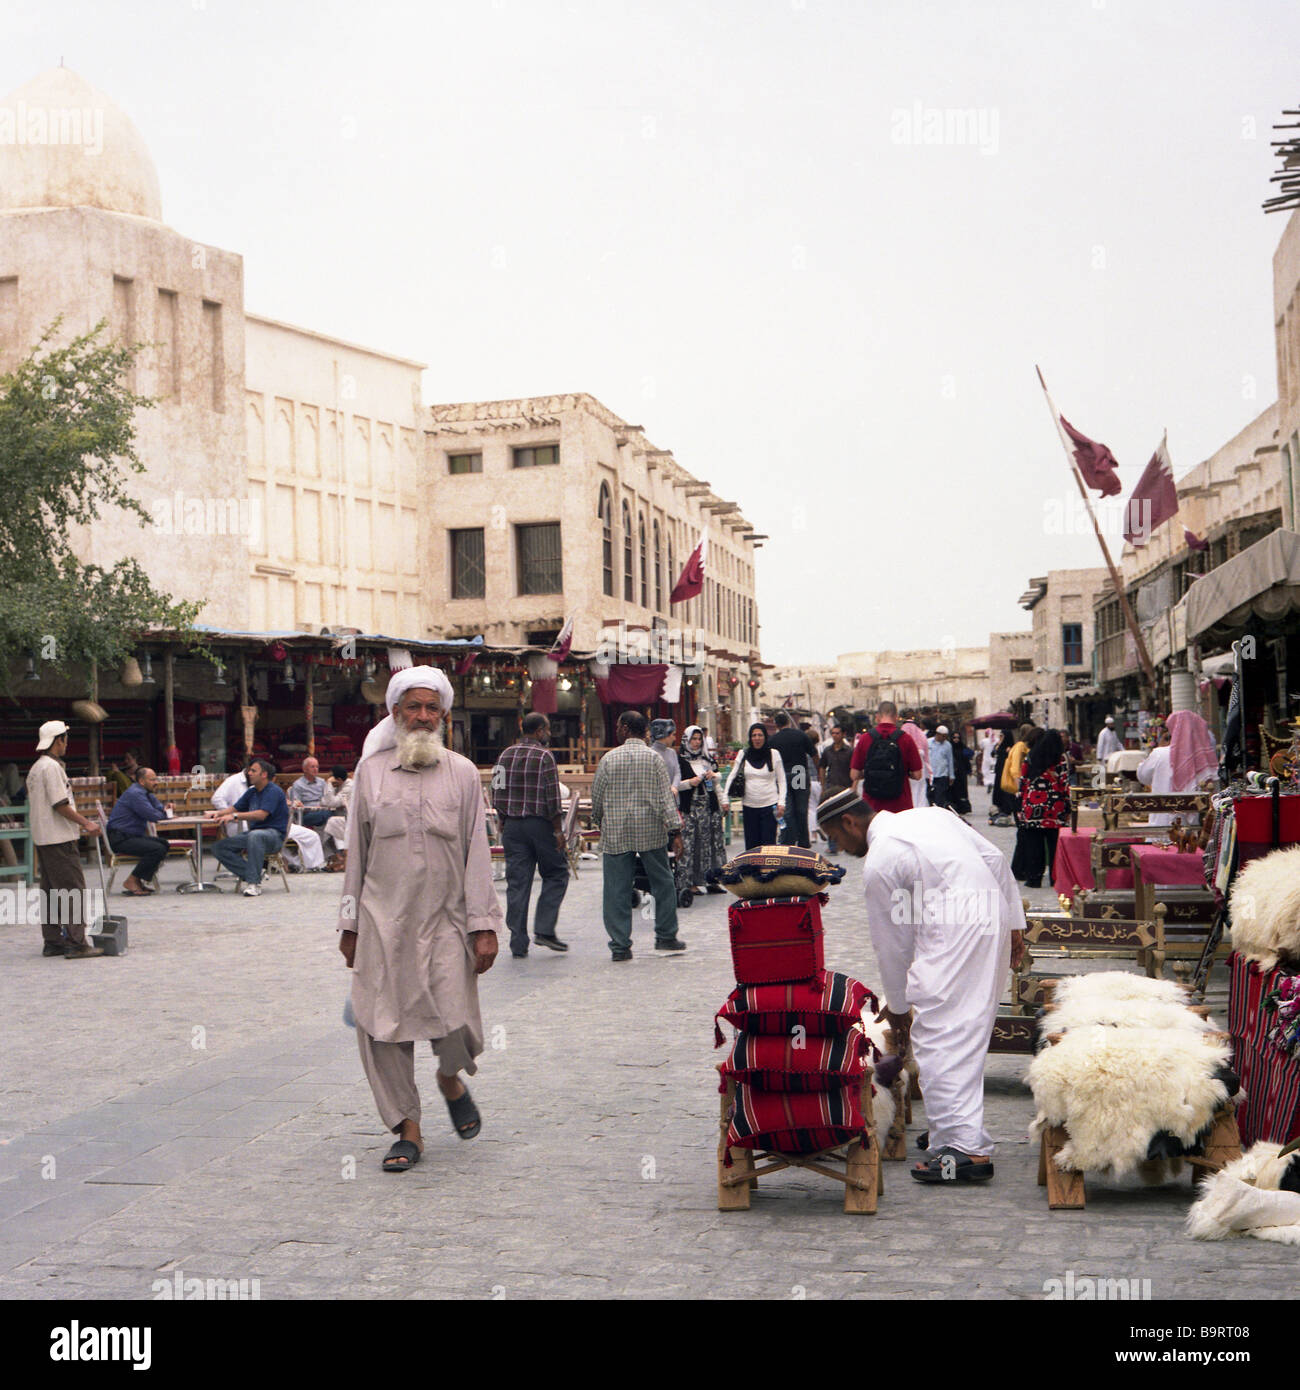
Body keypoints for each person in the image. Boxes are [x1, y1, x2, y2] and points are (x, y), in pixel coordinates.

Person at [815, 787, 1027, 1185]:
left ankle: (965, 1152)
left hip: (957, 930)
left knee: (941, 1035)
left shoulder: (881, 860)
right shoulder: (929, 816)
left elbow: (891, 945)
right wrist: (1014, 922)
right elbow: (996, 859)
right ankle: (952, 1132)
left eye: (836, 838)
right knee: (963, 1032)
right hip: (989, 917)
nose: (838, 847)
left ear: (849, 822)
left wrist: (897, 1007)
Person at [338, 666, 503, 1171]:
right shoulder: (369, 774)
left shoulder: (462, 774)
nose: (423, 716)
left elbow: (478, 852)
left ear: (444, 716)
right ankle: (407, 1128)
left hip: (447, 922)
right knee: (381, 1026)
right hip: (382, 922)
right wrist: (349, 926)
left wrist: (484, 924)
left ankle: (450, 1078)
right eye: (414, 707)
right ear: (395, 713)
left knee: (456, 1022)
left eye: (433, 708)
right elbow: (356, 856)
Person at [591, 710, 685, 961]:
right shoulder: (654, 759)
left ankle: (620, 945)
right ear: (644, 731)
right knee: (663, 882)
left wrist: (600, 821)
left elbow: (597, 798)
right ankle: (665, 935)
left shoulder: (609, 759)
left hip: (616, 831)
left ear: (623, 729)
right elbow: (666, 798)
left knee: (616, 889)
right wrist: (674, 830)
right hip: (650, 830)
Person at [492, 712, 569, 957]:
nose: (548, 734)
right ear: (539, 731)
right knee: (556, 873)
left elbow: (496, 790)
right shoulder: (545, 756)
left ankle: (518, 940)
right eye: (547, 730)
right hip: (540, 825)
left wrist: (502, 818)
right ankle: (544, 929)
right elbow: (552, 797)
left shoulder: (504, 754)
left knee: (518, 882)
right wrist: (558, 830)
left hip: (513, 826)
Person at [26, 720, 104, 959]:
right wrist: (86, 823)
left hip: (44, 837)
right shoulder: (51, 768)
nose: (67, 744)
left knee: (51, 891)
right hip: (59, 837)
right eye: (65, 739)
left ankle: (53, 941)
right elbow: (60, 804)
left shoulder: (37, 767)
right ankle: (76, 942)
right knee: (73, 890)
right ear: (58, 740)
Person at [208, 758, 289, 896]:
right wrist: (217, 813)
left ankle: (254, 883)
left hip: (273, 836)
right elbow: (234, 808)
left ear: (263, 774)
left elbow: (261, 815)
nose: (249, 773)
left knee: (255, 835)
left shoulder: (273, 791)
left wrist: (235, 817)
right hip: (255, 836)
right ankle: (254, 872)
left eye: (253, 770)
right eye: (249, 770)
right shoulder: (252, 791)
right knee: (219, 847)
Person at [1137, 711, 1218, 826]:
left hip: (1161, 824)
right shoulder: (1203, 759)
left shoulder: (1160, 753)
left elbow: (1143, 777)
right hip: (1193, 831)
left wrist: (1159, 747)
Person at [675, 724, 727, 897]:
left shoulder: (707, 759)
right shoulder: (680, 760)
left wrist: (722, 799)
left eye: (699, 739)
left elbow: (716, 783)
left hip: (709, 807)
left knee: (711, 844)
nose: (696, 743)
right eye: (693, 739)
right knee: (690, 845)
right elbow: (674, 785)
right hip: (690, 808)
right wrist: (690, 782)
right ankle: (689, 883)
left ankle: (711, 880)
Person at [1015, 729, 1071, 888]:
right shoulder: (1060, 760)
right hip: (1055, 808)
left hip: (1032, 807)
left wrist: (1020, 806)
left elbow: (1023, 782)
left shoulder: (1031, 757)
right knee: (1054, 846)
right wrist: (1068, 807)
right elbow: (1064, 784)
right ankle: (1055, 878)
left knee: (1034, 846)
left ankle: (1034, 878)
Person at [105, 765, 173, 895]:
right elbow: (152, 815)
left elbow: (158, 809)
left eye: (156, 779)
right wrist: (166, 814)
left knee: (163, 844)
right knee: (156, 849)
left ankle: (138, 881)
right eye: (152, 780)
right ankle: (132, 880)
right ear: (142, 781)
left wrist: (165, 809)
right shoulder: (135, 794)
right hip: (120, 838)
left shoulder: (146, 793)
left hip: (131, 836)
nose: (156, 783)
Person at [850, 701, 922, 814]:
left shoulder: (865, 738)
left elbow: (854, 775)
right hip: (900, 805)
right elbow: (917, 775)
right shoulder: (906, 739)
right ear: (896, 717)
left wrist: (871, 772)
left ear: (877, 717)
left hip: (872, 806)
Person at [723, 722, 787, 850]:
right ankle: (752, 869)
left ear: (765, 737)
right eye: (754, 735)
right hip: (749, 805)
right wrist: (725, 798)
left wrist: (781, 802)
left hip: (770, 805)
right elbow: (732, 775)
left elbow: (782, 780)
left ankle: (768, 870)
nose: (757, 738)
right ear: (750, 738)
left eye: (760, 735)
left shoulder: (774, 754)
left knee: (768, 843)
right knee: (752, 844)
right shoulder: (743, 754)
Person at [767, 712, 817, 848]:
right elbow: (813, 754)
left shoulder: (773, 740)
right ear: (788, 722)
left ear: (777, 725)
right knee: (801, 808)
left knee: (787, 809)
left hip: (782, 775)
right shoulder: (801, 735)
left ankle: (789, 839)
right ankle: (804, 841)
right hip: (799, 771)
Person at [818, 724, 854, 853]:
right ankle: (833, 845)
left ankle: (847, 843)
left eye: (837, 733)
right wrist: (823, 785)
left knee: (846, 817)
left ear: (843, 734)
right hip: (831, 787)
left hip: (845, 787)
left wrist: (854, 787)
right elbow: (822, 766)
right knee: (831, 817)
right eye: (833, 733)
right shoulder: (827, 751)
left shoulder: (849, 751)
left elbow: (855, 769)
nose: (834, 735)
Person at [320, 765, 354, 867]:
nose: (329, 779)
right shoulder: (338, 786)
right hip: (343, 819)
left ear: (338, 779)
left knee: (331, 823)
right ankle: (338, 856)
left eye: (331, 777)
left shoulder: (349, 786)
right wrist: (329, 786)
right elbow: (324, 802)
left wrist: (329, 785)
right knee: (325, 826)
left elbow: (331, 802)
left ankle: (340, 855)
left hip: (351, 822)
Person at [289, 756, 332, 830]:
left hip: (322, 809)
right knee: (328, 815)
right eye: (312, 767)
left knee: (334, 814)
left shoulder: (322, 782)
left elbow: (327, 798)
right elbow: (295, 805)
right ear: (304, 769)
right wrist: (298, 804)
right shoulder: (298, 784)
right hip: (306, 814)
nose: (316, 769)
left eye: (317, 767)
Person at [900, 717, 932, 809]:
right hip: (920, 771)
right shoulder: (922, 736)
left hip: (908, 772)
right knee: (921, 792)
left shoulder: (902, 737)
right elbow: (926, 758)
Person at [928, 725, 955, 809]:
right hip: (930, 774)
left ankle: (939, 811)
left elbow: (950, 760)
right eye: (943, 736)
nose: (944, 738)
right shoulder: (928, 742)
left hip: (942, 774)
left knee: (940, 796)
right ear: (937, 734)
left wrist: (951, 775)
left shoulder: (948, 745)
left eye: (945, 736)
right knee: (929, 795)